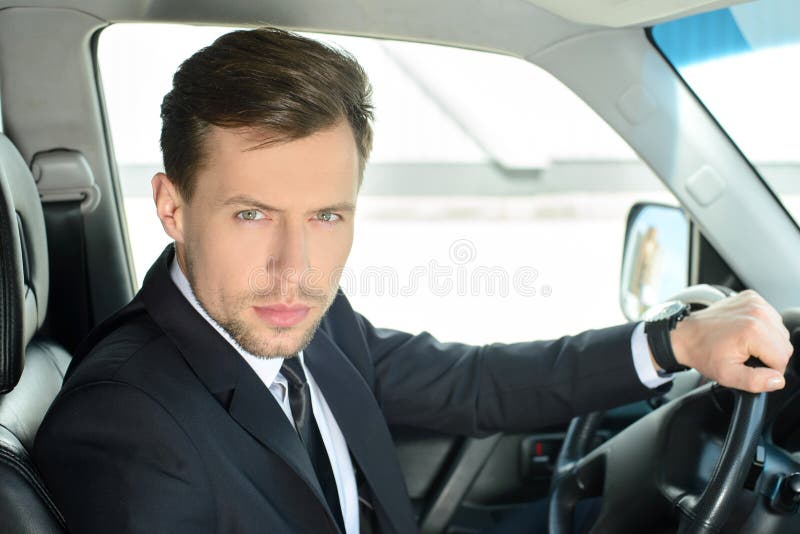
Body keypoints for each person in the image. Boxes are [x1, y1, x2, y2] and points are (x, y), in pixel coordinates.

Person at [32, 26, 792, 534]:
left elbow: (474, 384)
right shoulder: (128, 429)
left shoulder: (301, 319)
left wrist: (676, 343)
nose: (296, 266)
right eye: (253, 215)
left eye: (327, 215)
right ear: (172, 206)